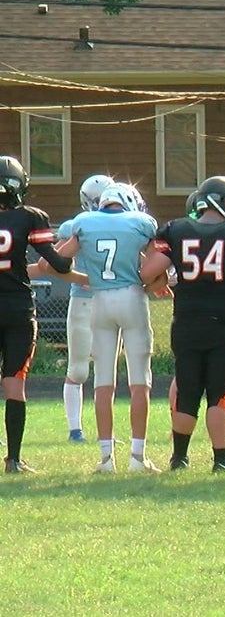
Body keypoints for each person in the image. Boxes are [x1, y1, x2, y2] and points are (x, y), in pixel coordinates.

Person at [141, 175, 225, 473]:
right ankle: (222, 459)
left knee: (188, 391)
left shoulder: (177, 230)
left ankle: (178, 458)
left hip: (186, 321)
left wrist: (158, 282)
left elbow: (148, 272)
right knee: (219, 395)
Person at [53, 182, 159, 474]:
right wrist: (154, 283)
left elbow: (57, 260)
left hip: (98, 298)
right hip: (132, 297)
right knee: (140, 381)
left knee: (103, 383)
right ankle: (137, 457)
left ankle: (106, 459)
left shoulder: (85, 223)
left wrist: (80, 277)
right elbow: (156, 264)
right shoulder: (140, 223)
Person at [0, 156, 74, 473]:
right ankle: (14, 459)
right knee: (14, 384)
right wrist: (72, 253)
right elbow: (58, 264)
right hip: (17, 307)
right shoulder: (30, 218)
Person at [57, 174, 113, 443]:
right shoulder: (74, 227)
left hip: (110, 300)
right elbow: (56, 261)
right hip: (82, 300)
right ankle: (75, 429)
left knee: (106, 369)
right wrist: (83, 279)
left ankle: (106, 431)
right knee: (79, 369)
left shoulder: (122, 225)